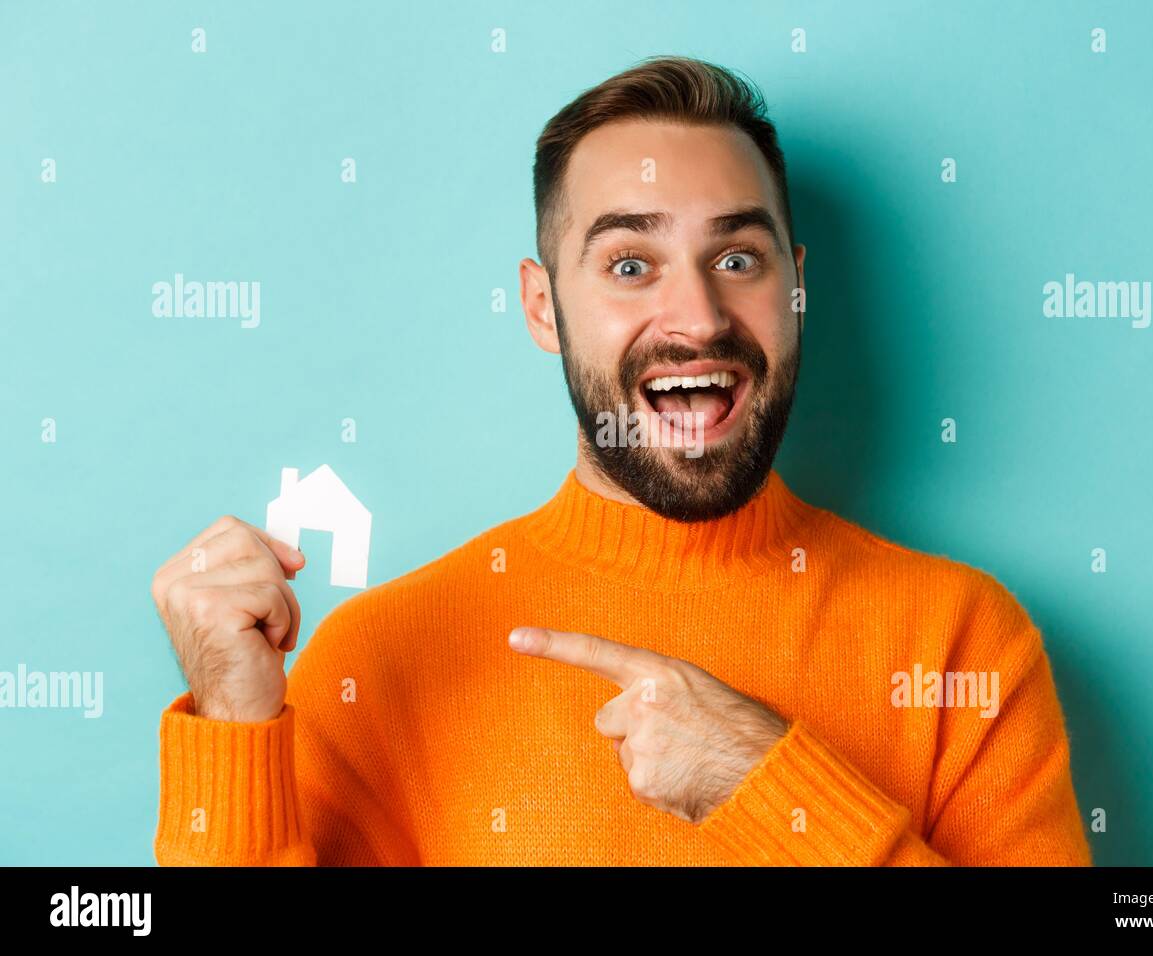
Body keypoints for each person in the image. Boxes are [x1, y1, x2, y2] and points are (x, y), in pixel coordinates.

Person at [151, 55, 1092, 866]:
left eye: (738, 259)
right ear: (542, 307)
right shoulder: (384, 663)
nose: (698, 319)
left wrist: (771, 789)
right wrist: (236, 733)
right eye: (630, 264)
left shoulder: (963, 645)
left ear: (797, 287)